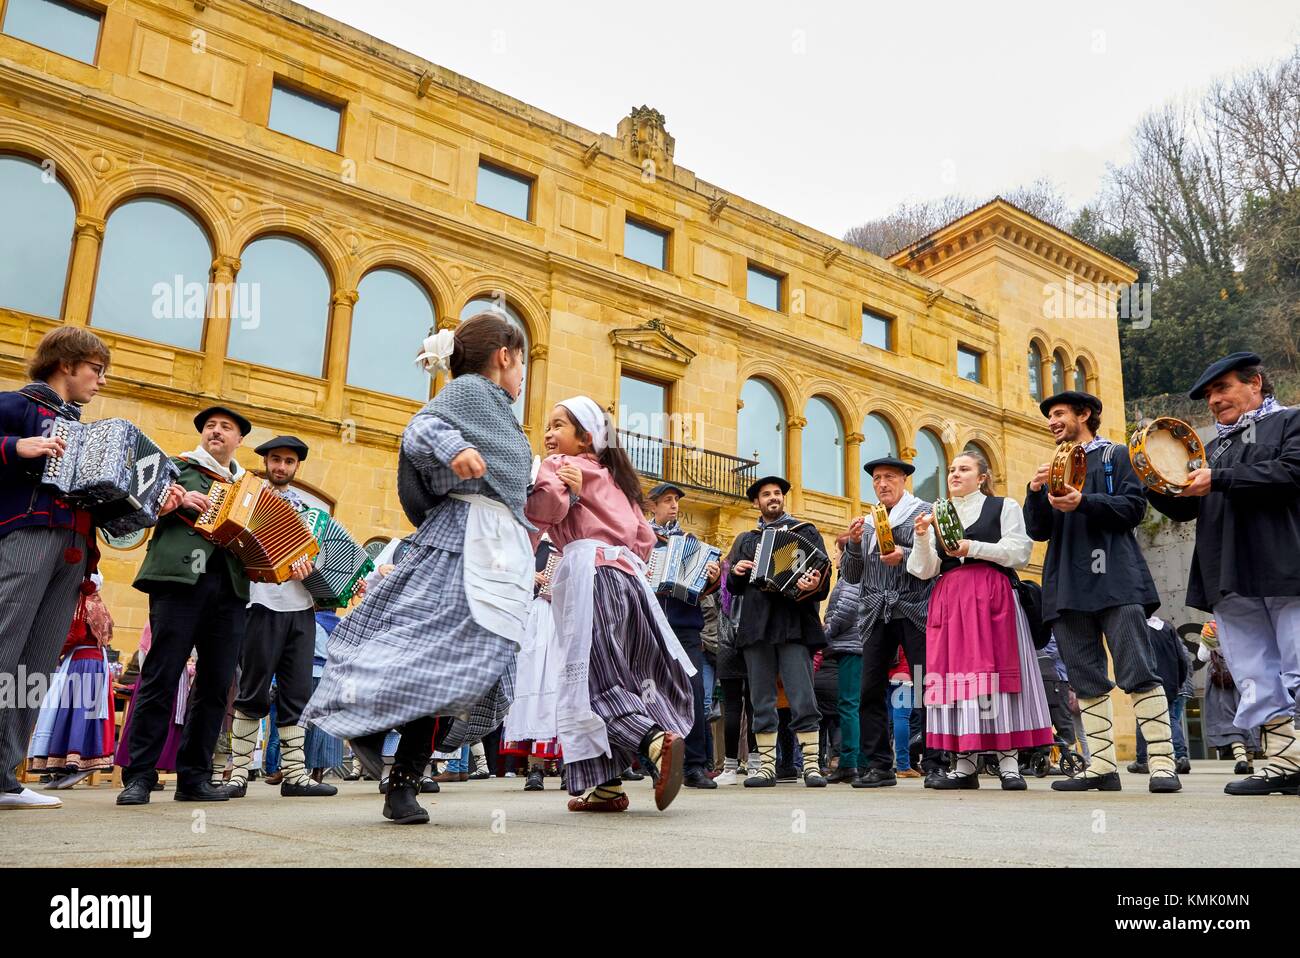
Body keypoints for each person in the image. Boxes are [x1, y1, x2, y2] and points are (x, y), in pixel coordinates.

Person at [303, 314, 535, 825]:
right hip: (461, 542)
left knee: (450, 667)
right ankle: (386, 755)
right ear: (504, 356)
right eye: (522, 364)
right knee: (430, 656)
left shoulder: (499, 413)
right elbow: (422, 427)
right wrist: (457, 450)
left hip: (492, 548)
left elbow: (519, 489)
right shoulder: (473, 391)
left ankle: (390, 759)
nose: (522, 376)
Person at [524, 397, 694, 813]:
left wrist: (520, 542)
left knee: (591, 678)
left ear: (584, 439)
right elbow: (645, 539)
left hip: (591, 576)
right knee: (625, 669)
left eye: (558, 425)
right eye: (548, 425)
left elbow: (546, 505)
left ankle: (653, 741)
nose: (549, 434)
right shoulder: (618, 482)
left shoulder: (563, 466)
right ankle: (603, 785)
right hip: (630, 581)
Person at [1144, 353, 1300, 796]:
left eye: (1222, 389)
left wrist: (1222, 478)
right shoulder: (1213, 448)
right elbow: (1185, 505)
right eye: (1209, 395)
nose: (1214, 400)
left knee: (1297, 660)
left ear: (1255, 384)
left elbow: (1292, 473)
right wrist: (1156, 481)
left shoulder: (1291, 422)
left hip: (1285, 562)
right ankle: (1287, 761)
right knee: (1255, 671)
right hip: (1228, 571)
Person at [1024, 389, 1181, 794]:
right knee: (1085, 678)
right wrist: (1035, 492)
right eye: (1050, 416)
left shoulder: (1116, 456)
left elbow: (1133, 508)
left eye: (1059, 414)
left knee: (1137, 669)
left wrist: (1084, 502)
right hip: (1067, 584)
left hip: (1116, 578)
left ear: (1086, 414)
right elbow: (1038, 531)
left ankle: (1163, 763)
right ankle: (1102, 767)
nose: (1052, 421)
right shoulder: (1055, 465)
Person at [116, 404, 255, 806]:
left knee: (215, 686)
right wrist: (172, 502)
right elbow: (132, 513)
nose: (216, 432)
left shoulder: (248, 486)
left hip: (229, 589)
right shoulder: (175, 468)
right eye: (210, 426)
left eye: (226, 428)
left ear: (239, 440)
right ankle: (139, 775)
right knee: (160, 676)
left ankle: (195, 776)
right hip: (179, 582)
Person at [0, 327, 110, 811]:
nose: (101, 381)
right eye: (96, 370)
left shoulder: (85, 430)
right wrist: (12, 447)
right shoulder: (18, 406)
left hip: (72, 551)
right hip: (25, 536)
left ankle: (5, 776)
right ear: (67, 364)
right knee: (4, 648)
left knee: (35, 666)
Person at [907, 449, 1054, 789]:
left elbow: (1019, 551)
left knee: (997, 673)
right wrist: (921, 538)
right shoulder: (937, 513)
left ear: (982, 477)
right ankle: (963, 765)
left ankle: (1009, 763)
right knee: (955, 678)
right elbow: (922, 569)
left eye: (964, 469)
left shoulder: (1003, 506)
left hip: (991, 592)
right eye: (952, 469)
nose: (955, 474)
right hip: (949, 597)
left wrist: (972, 547)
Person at [222, 436, 343, 799]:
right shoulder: (246, 501)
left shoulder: (312, 514)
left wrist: (313, 573)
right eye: (276, 460)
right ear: (266, 463)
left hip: (302, 609)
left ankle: (295, 775)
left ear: (295, 467)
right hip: (260, 605)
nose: (281, 467)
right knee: (252, 690)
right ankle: (238, 774)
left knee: (298, 693)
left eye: (289, 462)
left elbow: (328, 568)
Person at [841, 455, 944, 788]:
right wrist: (854, 545)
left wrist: (904, 552)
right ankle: (880, 766)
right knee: (869, 689)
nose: (881, 484)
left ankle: (935, 762)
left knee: (927, 686)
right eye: (876, 479)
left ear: (903, 480)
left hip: (915, 608)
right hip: (874, 612)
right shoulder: (869, 521)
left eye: (889, 477)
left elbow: (938, 562)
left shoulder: (924, 512)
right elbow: (852, 575)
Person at [725, 476, 831, 788]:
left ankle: (811, 766)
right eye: (766, 494)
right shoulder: (747, 539)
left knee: (801, 695)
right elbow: (733, 589)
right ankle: (766, 767)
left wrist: (814, 584)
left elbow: (822, 575)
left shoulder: (805, 531)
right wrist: (736, 572)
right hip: (756, 627)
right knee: (761, 697)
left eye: (777, 493)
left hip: (792, 624)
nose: (773, 498)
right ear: (756, 503)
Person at [646, 481, 722, 789]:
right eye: (667, 500)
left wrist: (713, 578)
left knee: (692, 693)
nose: (674, 505)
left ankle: (694, 765)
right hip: (650, 626)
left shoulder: (691, 541)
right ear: (653, 506)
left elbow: (701, 589)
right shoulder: (642, 539)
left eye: (676, 500)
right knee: (653, 694)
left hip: (685, 628)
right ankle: (657, 765)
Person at [27, 575, 116, 789]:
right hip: (93, 661)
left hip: (81, 661)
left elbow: (74, 634)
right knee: (77, 711)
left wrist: (53, 651)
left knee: (74, 711)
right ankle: (65, 766)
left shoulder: (82, 604)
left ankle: (78, 761)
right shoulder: (99, 604)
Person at [500, 537, 565, 791]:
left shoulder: (573, 543)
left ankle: (567, 767)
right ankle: (534, 767)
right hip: (536, 617)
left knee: (564, 690)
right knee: (534, 687)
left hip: (565, 617)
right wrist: (529, 578)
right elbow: (502, 575)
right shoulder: (529, 542)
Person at [1128, 616, 1192, 775]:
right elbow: (1182, 658)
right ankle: (1180, 756)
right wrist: (1179, 680)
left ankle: (1143, 760)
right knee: (1170, 718)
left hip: (1146, 678)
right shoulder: (1166, 627)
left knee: (1143, 719)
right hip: (1170, 680)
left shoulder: (1135, 626)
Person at [821, 536, 862, 782]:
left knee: (848, 705)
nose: (834, 557)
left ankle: (849, 761)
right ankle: (858, 760)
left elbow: (843, 612)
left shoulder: (849, 579)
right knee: (854, 704)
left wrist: (823, 633)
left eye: (836, 552)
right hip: (854, 645)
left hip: (850, 647)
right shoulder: (851, 577)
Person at [1196, 621, 1257, 774]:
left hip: (1221, 679)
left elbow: (1202, 656)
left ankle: (1241, 758)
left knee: (1227, 718)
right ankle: (1249, 763)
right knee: (1248, 717)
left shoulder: (1210, 628)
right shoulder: (1240, 625)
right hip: (1245, 676)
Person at [304, 609, 345, 784]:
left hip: (313, 673)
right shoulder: (342, 624)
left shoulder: (312, 622)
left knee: (310, 724)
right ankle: (320, 770)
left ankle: (308, 766)